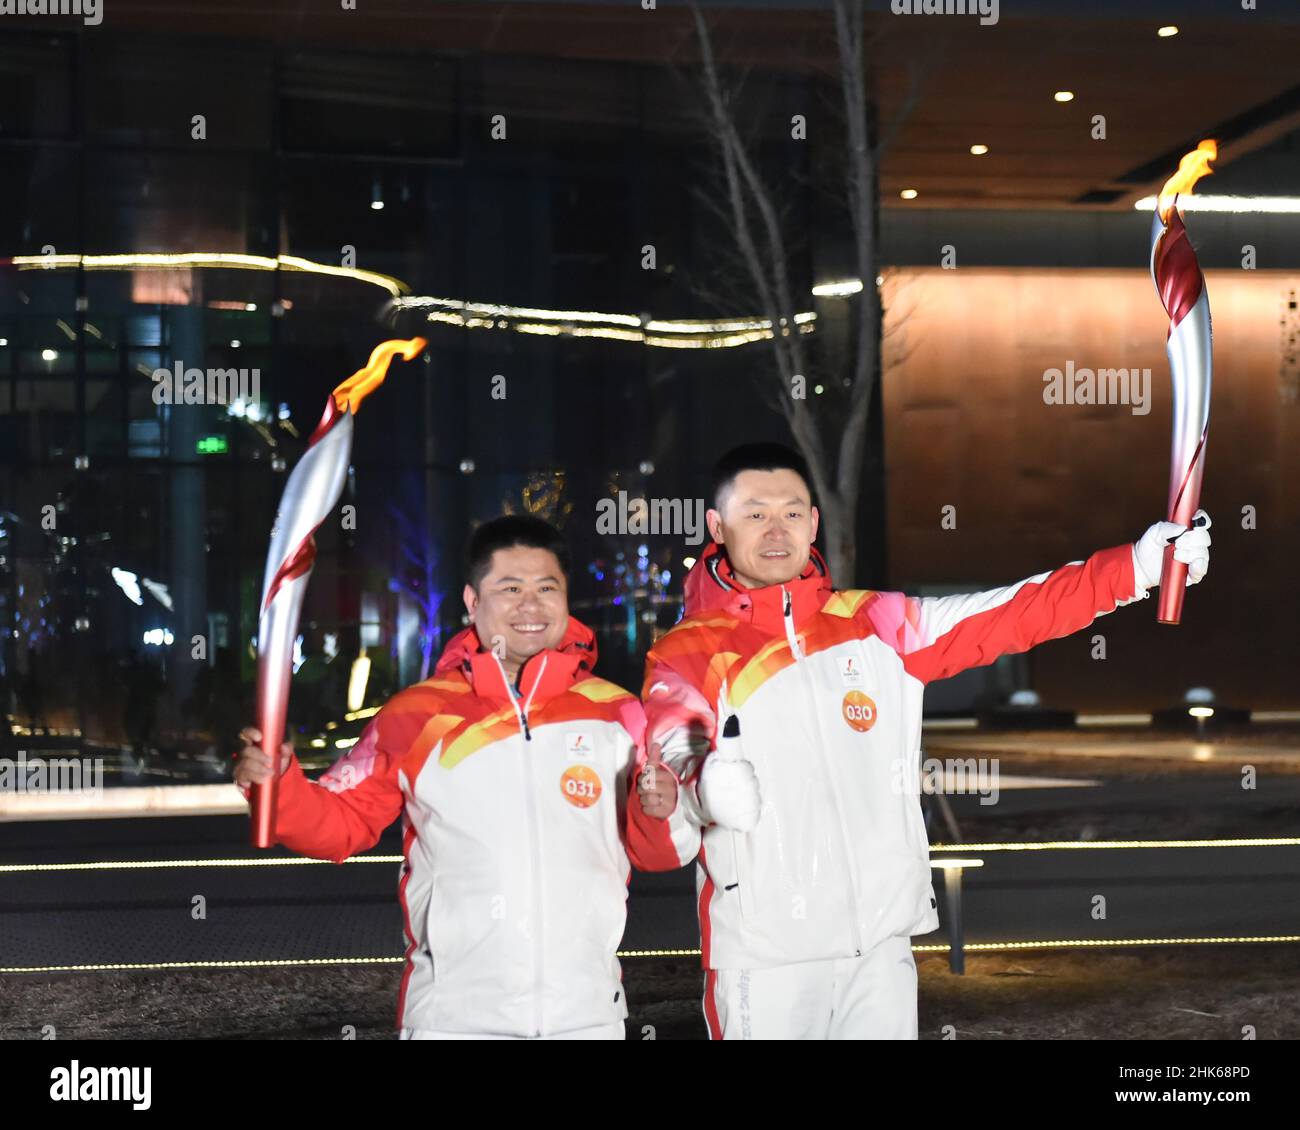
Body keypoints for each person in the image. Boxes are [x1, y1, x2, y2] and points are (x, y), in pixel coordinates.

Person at [632, 442, 1212, 1039]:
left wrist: (1137, 567)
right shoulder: (688, 651)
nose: (775, 529)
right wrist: (707, 788)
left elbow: (1012, 614)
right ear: (717, 525)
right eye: (754, 513)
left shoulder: (878, 622)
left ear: (814, 521)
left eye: (792, 511)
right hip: (768, 954)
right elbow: (675, 751)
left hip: (882, 946)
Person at [234, 515, 673, 1039]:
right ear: (472, 601)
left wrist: (665, 809)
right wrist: (278, 784)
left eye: (546, 588)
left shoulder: (617, 713)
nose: (529, 606)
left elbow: (660, 851)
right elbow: (339, 825)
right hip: (455, 1019)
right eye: (509, 588)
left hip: (588, 1016)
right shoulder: (418, 715)